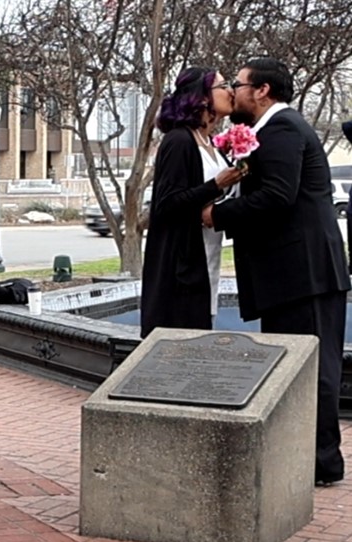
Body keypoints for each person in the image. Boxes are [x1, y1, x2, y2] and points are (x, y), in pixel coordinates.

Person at [205, 57, 351, 486]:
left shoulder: (283, 128)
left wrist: (218, 214)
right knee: (293, 368)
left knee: (312, 370)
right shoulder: (269, 129)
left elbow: (277, 196)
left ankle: (320, 462)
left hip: (305, 273)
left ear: (262, 90)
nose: (234, 91)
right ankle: (304, 458)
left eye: (239, 84)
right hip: (290, 275)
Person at [140, 67, 244, 338]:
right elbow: (167, 204)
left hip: (206, 259)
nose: (230, 92)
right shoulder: (179, 141)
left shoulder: (210, 143)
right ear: (202, 97)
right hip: (180, 268)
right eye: (223, 86)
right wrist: (216, 185)